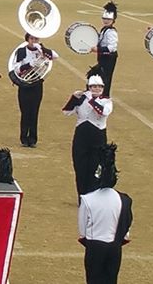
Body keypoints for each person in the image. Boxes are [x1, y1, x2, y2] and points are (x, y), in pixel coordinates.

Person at [79, 143, 133, 284]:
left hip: (94, 247)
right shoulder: (125, 200)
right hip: (115, 249)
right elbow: (126, 230)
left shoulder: (87, 199)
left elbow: (83, 232)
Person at [64, 65, 113, 196]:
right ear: (89, 87)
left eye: (99, 87)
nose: (97, 89)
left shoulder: (106, 101)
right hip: (81, 137)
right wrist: (74, 98)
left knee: (95, 169)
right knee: (80, 167)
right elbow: (67, 112)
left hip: (98, 138)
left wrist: (91, 99)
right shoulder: (82, 99)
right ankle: (82, 195)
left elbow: (103, 112)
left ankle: (92, 196)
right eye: (93, 87)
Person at [11, 33, 57, 148]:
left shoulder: (42, 50)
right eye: (32, 38)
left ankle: (32, 139)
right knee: (25, 111)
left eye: (36, 38)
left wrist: (42, 49)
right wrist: (30, 64)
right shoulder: (21, 51)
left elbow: (55, 56)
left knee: (34, 111)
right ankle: (23, 138)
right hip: (24, 84)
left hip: (37, 83)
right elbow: (17, 69)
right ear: (27, 39)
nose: (34, 41)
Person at [90, 2, 118, 97]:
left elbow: (112, 47)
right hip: (103, 57)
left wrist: (98, 49)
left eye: (108, 19)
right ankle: (100, 95)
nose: (106, 21)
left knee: (105, 78)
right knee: (98, 75)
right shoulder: (104, 29)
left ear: (113, 20)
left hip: (109, 58)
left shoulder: (111, 32)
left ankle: (105, 96)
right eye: (104, 19)